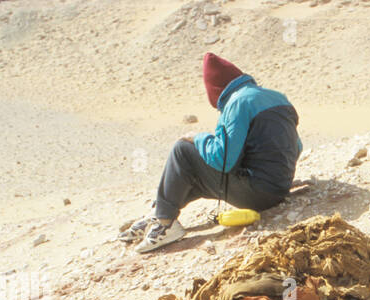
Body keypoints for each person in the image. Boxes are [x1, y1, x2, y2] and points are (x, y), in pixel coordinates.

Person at [122, 53, 303, 253]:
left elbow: (224, 161)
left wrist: (198, 138)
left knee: (182, 150)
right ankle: (158, 213)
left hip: (259, 195)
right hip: (279, 187)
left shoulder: (237, 103)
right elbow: (297, 147)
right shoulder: (278, 97)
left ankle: (166, 224)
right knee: (195, 174)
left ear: (215, 90)